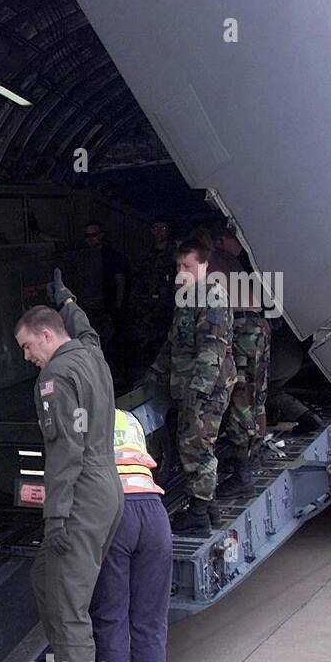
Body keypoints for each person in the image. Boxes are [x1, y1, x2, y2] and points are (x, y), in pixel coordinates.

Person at [14, 270, 123, 662]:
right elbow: (88, 330)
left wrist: (54, 519)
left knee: (66, 608)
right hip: (109, 487)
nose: (27, 357)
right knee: (47, 581)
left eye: (27, 346)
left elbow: (63, 453)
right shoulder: (90, 355)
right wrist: (69, 298)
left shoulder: (54, 376)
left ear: (45, 335)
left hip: (79, 493)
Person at [89, 408, 174, 662]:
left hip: (116, 512)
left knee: (112, 619)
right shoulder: (130, 418)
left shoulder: (83, 416)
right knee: (150, 622)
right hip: (154, 512)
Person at [147, 239, 236, 536]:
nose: (181, 271)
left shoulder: (213, 298)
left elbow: (213, 349)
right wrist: (154, 373)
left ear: (204, 266)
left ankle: (198, 514)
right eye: (178, 266)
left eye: (187, 266)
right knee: (196, 444)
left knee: (196, 447)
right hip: (189, 386)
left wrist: (198, 392)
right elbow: (175, 344)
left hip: (206, 388)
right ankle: (208, 509)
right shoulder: (187, 297)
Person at [210, 226, 271, 496]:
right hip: (258, 327)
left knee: (239, 396)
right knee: (257, 396)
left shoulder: (214, 262)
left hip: (243, 327)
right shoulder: (231, 262)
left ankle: (243, 474)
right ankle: (251, 457)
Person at [127, 220, 175, 365]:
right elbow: (136, 280)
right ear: (151, 231)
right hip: (146, 308)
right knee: (144, 345)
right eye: (156, 228)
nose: (160, 231)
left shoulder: (175, 255)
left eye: (163, 227)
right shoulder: (143, 255)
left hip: (167, 307)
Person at [83, 220, 128, 343]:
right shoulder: (82, 256)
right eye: (88, 236)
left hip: (105, 309)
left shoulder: (112, 256)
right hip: (87, 309)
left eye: (94, 235)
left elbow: (120, 284)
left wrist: (117, 308)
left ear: (101, 235)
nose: (91, 239)